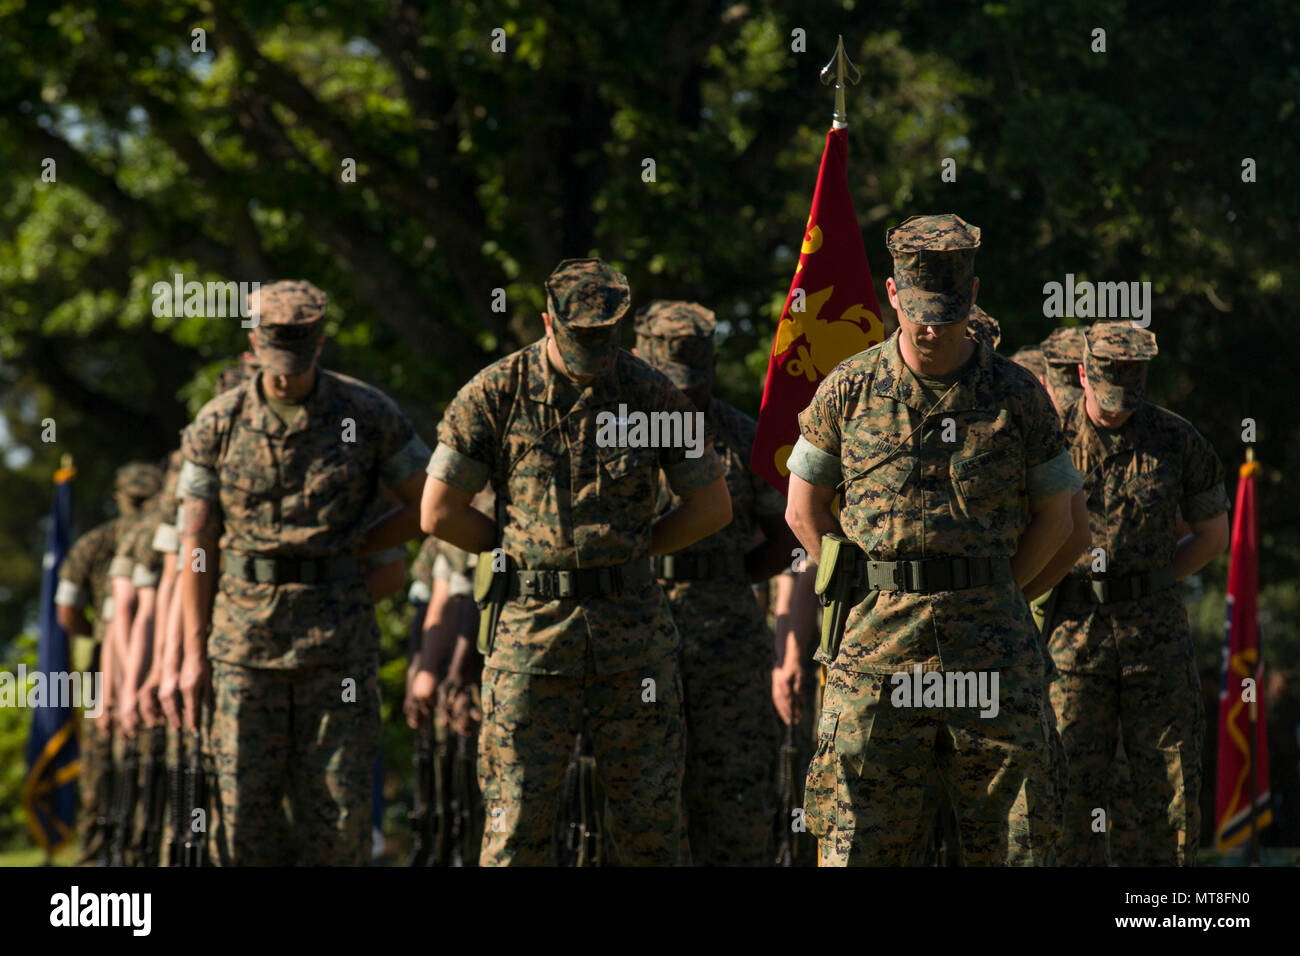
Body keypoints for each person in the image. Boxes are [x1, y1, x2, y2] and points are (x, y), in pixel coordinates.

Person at [785, 214, 1079, 865]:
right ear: (892, 294)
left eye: (945, 314)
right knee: (858, 827)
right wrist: (850, 586)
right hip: (876, 641)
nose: (928, 328)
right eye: (917, 311)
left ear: (971, 296)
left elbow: (1057, 519)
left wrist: (1002, 593)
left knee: (1016, 830)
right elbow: (802, 504)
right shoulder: (847, 390)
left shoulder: (1019, 394)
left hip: (992, 646)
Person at [421, 258, 732, 866]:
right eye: (578, 337)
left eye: (603, 337)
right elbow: (437, 512)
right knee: (516, 825)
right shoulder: (496, 391)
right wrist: (515, 554)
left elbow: (711, 504)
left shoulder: (653, 393)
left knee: (651, 828)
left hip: (633, 638)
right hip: (530, 642)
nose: (592, 351)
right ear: (546, 322)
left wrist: (638, 551)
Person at [176, 279, 430, 866]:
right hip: (243, 649)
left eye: (297, 359)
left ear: (320, 343)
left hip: (337, 648)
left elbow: (427, 506)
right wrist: (192, 655)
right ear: (252, 343)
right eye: (273, 360)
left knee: (338, 819)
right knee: (240, 818)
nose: (285, 375)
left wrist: (358, 545)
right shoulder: (218, 422)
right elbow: (196, 541)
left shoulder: (367, 413)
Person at [1047, 321, 1229, 866]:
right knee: (1067, 790)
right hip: (1071, 638)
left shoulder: (1176, 438)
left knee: (1169, 788)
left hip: (1156, 640)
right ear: (1082, 374)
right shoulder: (1048, 435)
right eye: (1106, 399)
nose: (1117, 410)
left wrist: (1154, 580)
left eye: (1129, 399)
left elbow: (1213, 534)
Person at [634, 300, 795, 866]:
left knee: (737, 798)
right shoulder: (619, 436)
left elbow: (785, 538)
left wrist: (730, 576)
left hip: (728, 644)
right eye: (675, 384)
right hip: (634, 640)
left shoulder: (742, 436)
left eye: (696, 383)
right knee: (643, 798)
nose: (687, 397)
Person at [55, 462, 159, 860]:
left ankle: (101, 854)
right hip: (151, 661)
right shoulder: (165, 533)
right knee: (145, 769)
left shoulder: (94, 541)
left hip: (110, 665)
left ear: (118, 497)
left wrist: (99, 632)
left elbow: (66, 611)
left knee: (103, 771)